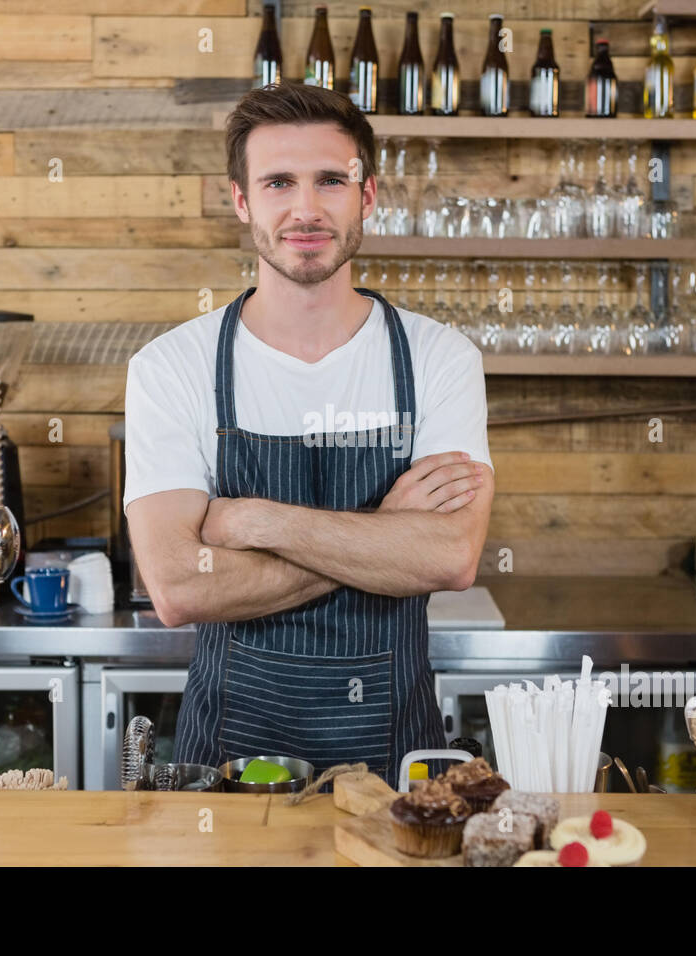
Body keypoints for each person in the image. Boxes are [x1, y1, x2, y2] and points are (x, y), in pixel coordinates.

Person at [123, 81, 493, 787]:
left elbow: (449, 558)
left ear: (368, 195)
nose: (306, 208)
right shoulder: (173, 366)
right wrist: (383, 536)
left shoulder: (441, 359)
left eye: (331, 180)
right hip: (225, 769)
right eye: (278, 182)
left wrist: (255, 520)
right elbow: (178, 588)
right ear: (242, 201)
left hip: (397, 769)